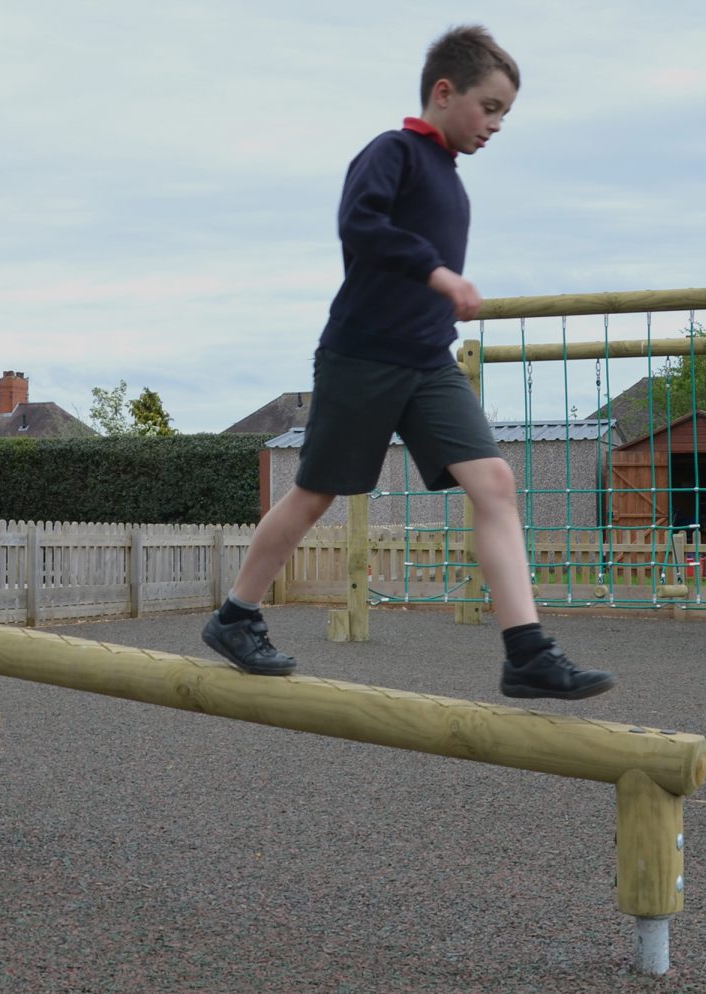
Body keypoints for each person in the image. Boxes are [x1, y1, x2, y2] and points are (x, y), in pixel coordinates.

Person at [199, 26, 615, 701]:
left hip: (429, 363)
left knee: (496, 482)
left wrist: (439, 296)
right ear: (444, 92)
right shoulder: (392, 153)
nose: (497, 124)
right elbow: (359, 225)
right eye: (489, 107)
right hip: (362, 354)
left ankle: (527, 651)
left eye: (506, 113)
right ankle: (236, 616)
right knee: (314, 495)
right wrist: (440, 276)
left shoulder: (454, 184)